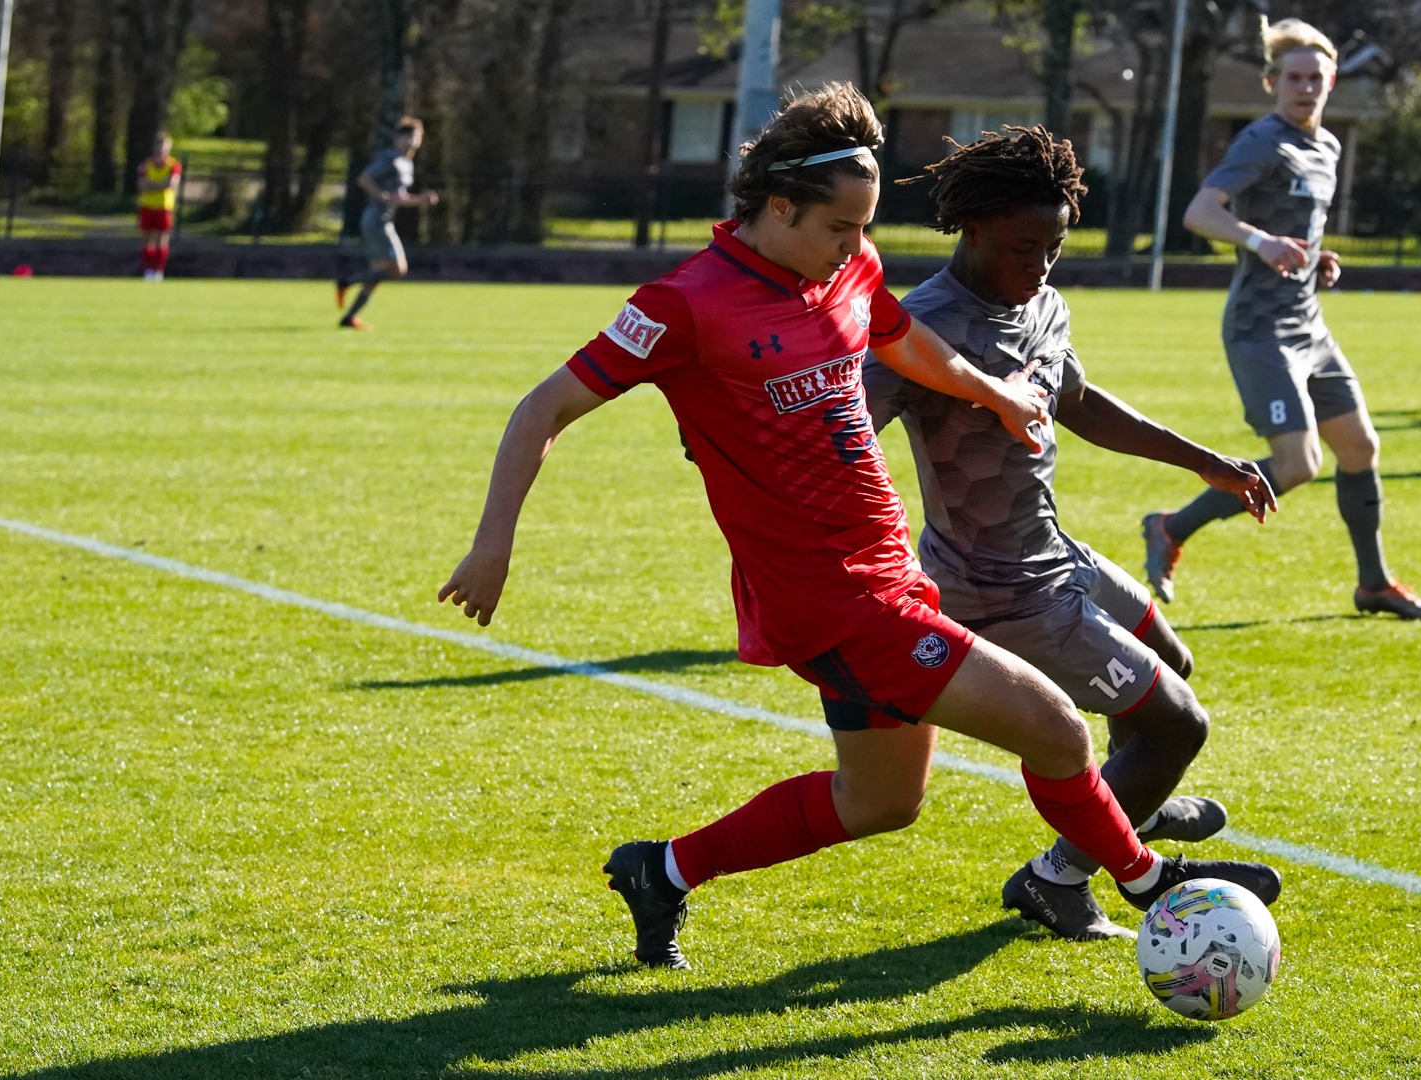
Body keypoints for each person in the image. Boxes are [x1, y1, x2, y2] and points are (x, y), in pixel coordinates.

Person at [437, 84, 1279, 970]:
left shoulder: (848, 269)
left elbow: (904, 340)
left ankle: (662, 872)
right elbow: (545, 406)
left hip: (887, 572)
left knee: (880, 802)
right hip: (831, 600)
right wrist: (494, 542)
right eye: (841, 229)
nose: (856, 247)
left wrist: (992, 392)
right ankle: (1155, 892)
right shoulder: (686, 303)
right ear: (779, 206)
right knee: (1060, 732)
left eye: (865, 228)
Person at [860, 126, 1278, 941]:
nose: (1040, 265)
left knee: (1173, 667)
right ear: (972, 228)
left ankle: (1118, 821)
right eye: (1024, 247)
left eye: (1053, 247)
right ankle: (1057, 878)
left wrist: (1205, 462)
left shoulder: (1042, 302)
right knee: (1179, 724)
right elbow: (846, 434)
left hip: (1056, 556)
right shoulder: (919, 332)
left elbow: (1079, 401)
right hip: (998, 591)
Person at [1140, 19, 1421, 620]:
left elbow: (1298, 231)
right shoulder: (1262, 141)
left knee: (1360, 448)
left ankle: (1374, 585)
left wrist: (1314, 259)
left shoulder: (1327, 146)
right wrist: (1260, 242)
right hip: (1260, 328)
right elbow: (1201, 213)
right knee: (1298, 464)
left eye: (1315, 78)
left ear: (1331, 81)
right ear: (1271, 82)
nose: (1305, 88)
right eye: (1293, 78)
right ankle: (1170, 526)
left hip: (1310, 325)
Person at [336, 117, 439, 330]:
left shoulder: (406, 163)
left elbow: (399, 197)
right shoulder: (390, 158)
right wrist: (381, 197)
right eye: (407, 137)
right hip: (376, 220)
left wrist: (421, 199)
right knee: (398, 269)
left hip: (383, 221)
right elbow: (364, 179)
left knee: (377, 275)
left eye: (415, 137)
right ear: (397, 139)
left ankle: (350, 317)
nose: (411, 141)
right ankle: (346, 281)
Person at [135, 133, 182, 282]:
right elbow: (142, 185)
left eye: (165, 146)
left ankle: (159, 271)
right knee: (147, 240)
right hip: (148, 206)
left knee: (162, 240)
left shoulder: (173, 165)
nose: (162, 149)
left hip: (164, 207)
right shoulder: (146, 165)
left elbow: (172, 184)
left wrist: (153, 185)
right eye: (159, 146)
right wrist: (161, 185)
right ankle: (148, 271)